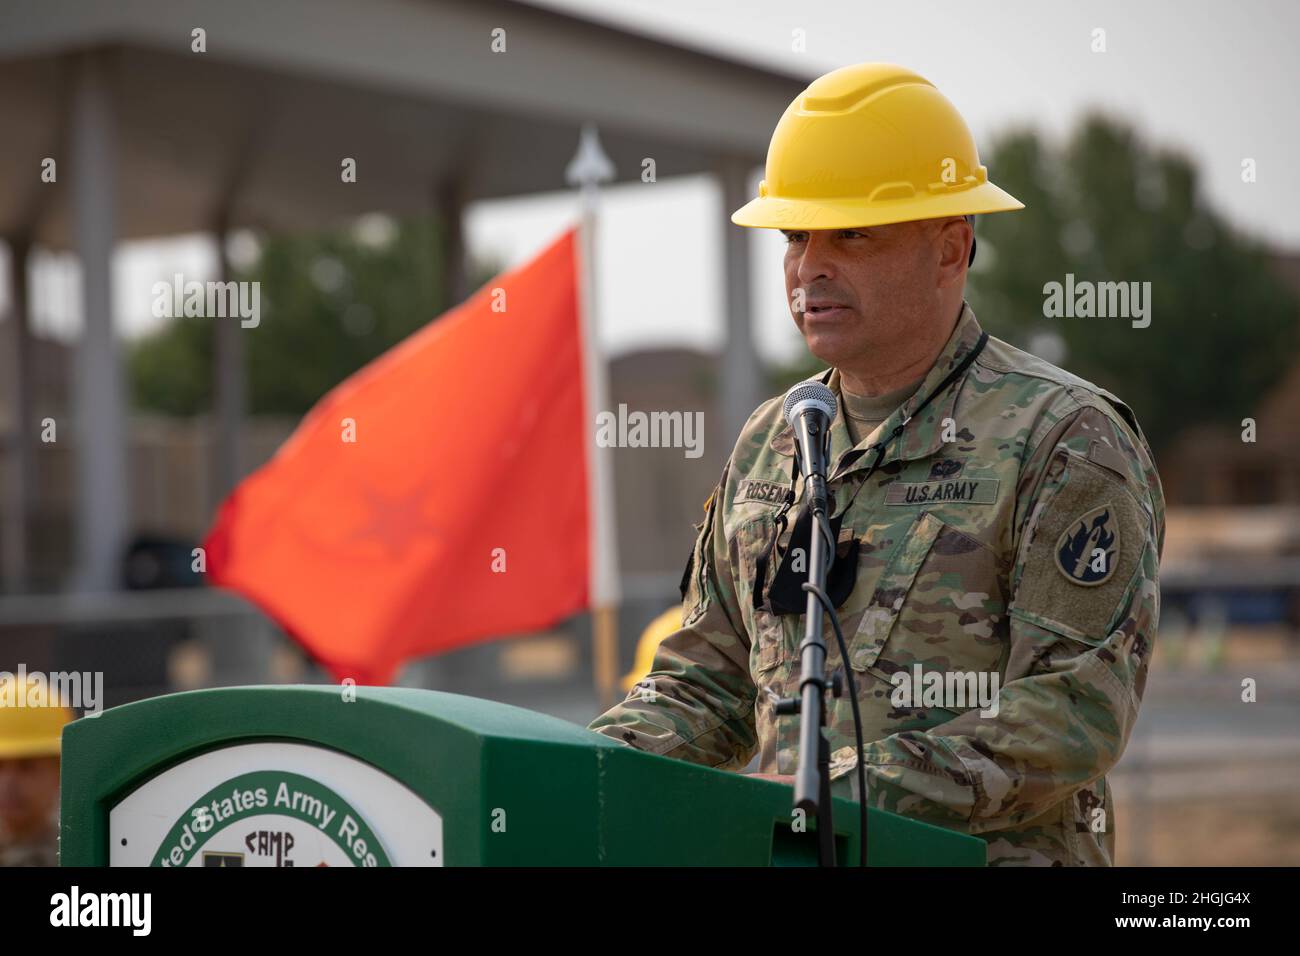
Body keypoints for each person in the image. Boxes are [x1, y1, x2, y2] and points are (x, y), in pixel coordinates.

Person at [589, 62, 1164, 866]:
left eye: (851, 234)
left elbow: (1071, 711)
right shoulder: (772, 441)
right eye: (796, 236)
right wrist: (581, 777)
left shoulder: (1064, 438)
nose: (809, 267)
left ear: (950, 249)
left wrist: (836, 796)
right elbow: (708, 683)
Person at [0, 676, 75, 866]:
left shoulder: (80, 850)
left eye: (26, 766)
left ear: (60, 769)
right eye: (0, 766)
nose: (8, 783)